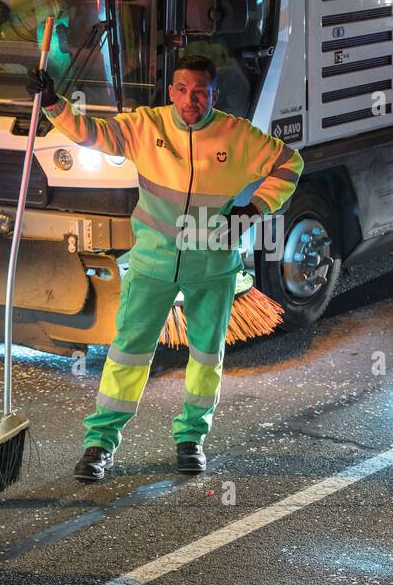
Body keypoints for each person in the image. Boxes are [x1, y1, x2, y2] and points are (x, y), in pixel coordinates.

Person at [26, 55, 304, 482]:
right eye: (181, 89)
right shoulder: (146, 127)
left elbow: (290, 164)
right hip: (152, 264)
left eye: (199, 91)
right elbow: (93, 134)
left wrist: (253, 208)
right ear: (170, 91)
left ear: (214, 93)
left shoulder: (237, 135)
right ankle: (99, 444)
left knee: (206, 356)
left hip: (212, 267)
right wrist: (52, 102)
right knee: (128, 354)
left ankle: (192, 439)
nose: (189, 100)